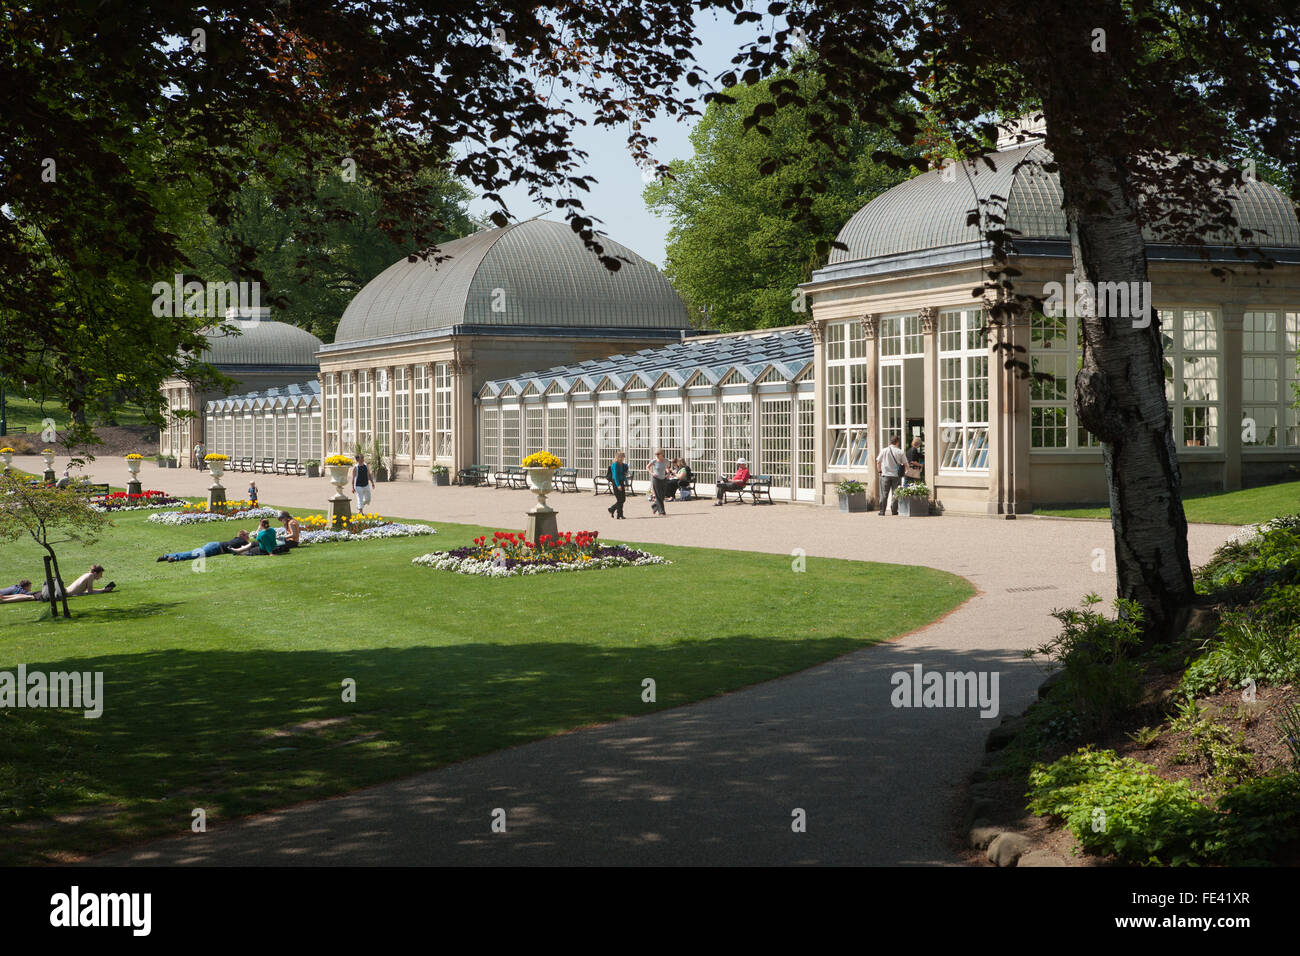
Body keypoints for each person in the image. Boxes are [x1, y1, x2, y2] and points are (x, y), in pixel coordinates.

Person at [156, 531, 249, 563]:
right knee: (195, 554)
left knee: (194, 554)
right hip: (215, 547)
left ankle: (170, 556)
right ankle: (170, 557)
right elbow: (251, 545)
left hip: (214, 546)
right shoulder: (241, 540)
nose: (248, 536)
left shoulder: (238, 539)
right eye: (247, 534)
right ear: (242, 535)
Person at [876, 434, 908, 515]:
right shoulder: (900, 451)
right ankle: (894, 510)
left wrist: (879, 471)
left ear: (890, 441)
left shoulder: (884, 450)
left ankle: (882, 511)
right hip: (896, 476)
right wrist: (905, 472)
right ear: (897, 442)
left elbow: (878, 462)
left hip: (885, 475)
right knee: (895, 493)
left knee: (884, 494)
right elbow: (905, 464)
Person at [606, 452, 630, 520]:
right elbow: (615, 476)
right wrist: (618, 485)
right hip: (616, 482)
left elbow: (623, 474)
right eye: (622, 457)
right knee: (620, 499)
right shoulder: (615, 465)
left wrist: (625, 477)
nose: (623, 458)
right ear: (618, 457)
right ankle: (613, 509)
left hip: (621, 481)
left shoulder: (622, 465)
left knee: (622, 499)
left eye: (624, 457)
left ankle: (619, 514)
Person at [646, 448, 670, 516]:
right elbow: (647, 467)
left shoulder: (666, 460)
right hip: (656, 479)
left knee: (662, 496)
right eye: (656, 454)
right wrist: (652, 473)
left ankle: (654, 506)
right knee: (658, 496)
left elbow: (667, 468)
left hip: (663, 479)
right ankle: (661, 512)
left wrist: (668, 473)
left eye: (658, 454)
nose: (656, 455)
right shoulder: (654, 461)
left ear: (662, 454)